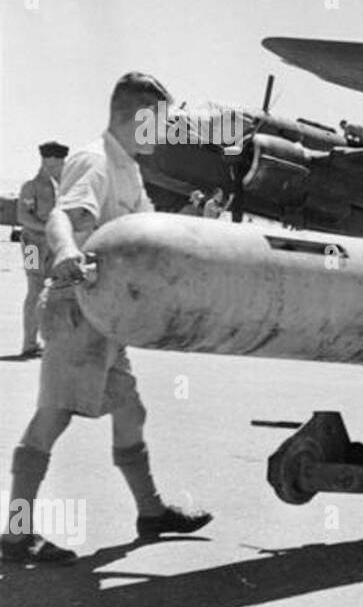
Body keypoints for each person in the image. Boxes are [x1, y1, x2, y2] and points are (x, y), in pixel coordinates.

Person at [2, 73, 212, 566]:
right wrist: (67, 250)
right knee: (50, 420)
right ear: (136, 117)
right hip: (77, 309)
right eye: (159, 123)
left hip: (107, 317)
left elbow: (146, 227)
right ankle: (14, 535)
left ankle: (151, 513)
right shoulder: (96, 160)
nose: (163, 134)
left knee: (130, 410)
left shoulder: (129, 169)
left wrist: (197, 217)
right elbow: (61, 216)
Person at [16, 140, 68, 358]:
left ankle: (55, 341)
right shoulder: (31, 187)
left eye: (61, 164)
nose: (58, 168)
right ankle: (29, 343)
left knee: (60, 290)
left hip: (54, 245)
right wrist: (48, 229)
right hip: (31, 244)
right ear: (45, 161)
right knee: (35, 289)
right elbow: (22, 217)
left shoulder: (66, 188)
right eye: (54, 164)